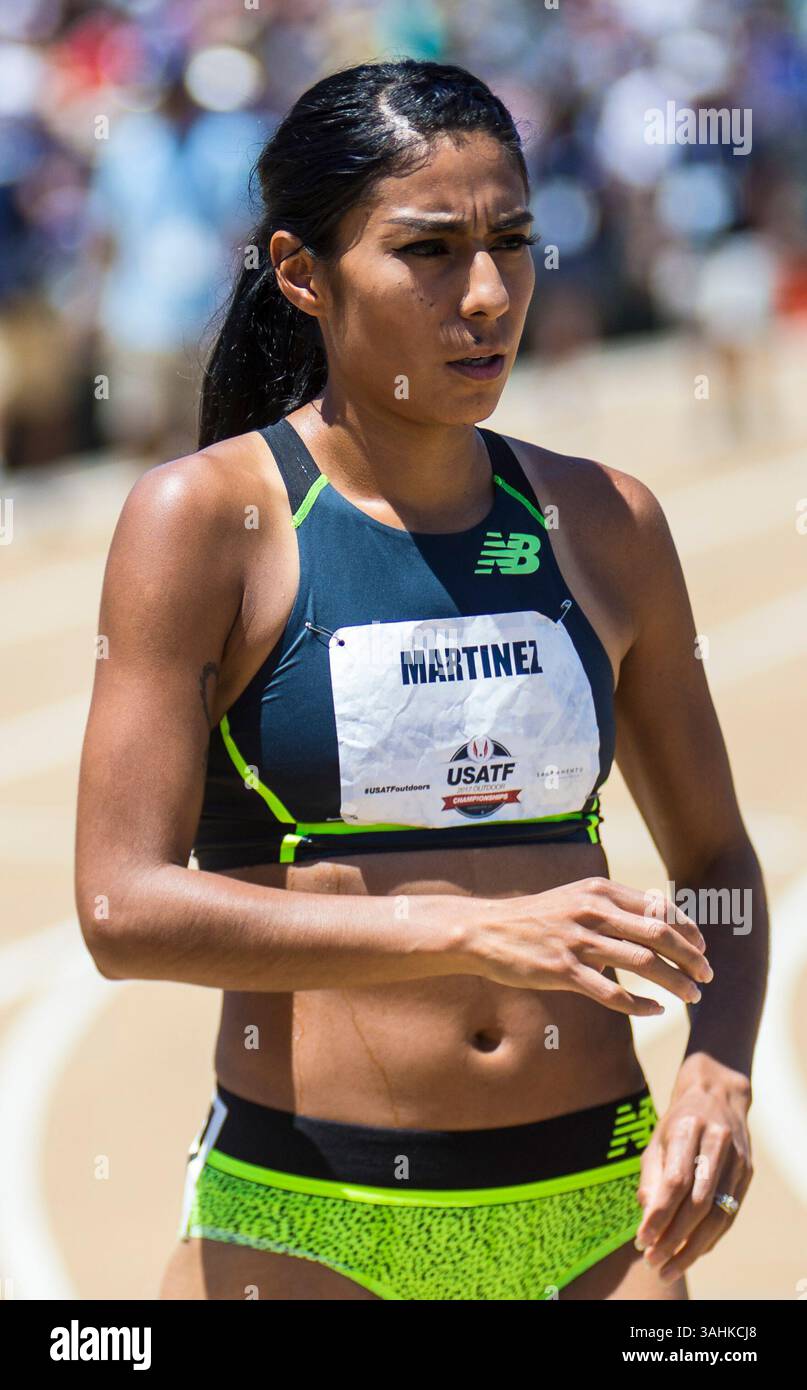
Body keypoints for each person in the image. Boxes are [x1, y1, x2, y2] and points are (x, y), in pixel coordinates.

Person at [74, 59, 767, 1301]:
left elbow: (717, 860)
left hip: (603, 1216)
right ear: (300, 273)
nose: (489, 295)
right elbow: (120, 906)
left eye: (513, 240)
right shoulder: (208, 520)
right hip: (307, 1219)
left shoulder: (605, 521)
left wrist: (720, 1061)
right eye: (430, 252)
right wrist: (468, 928)